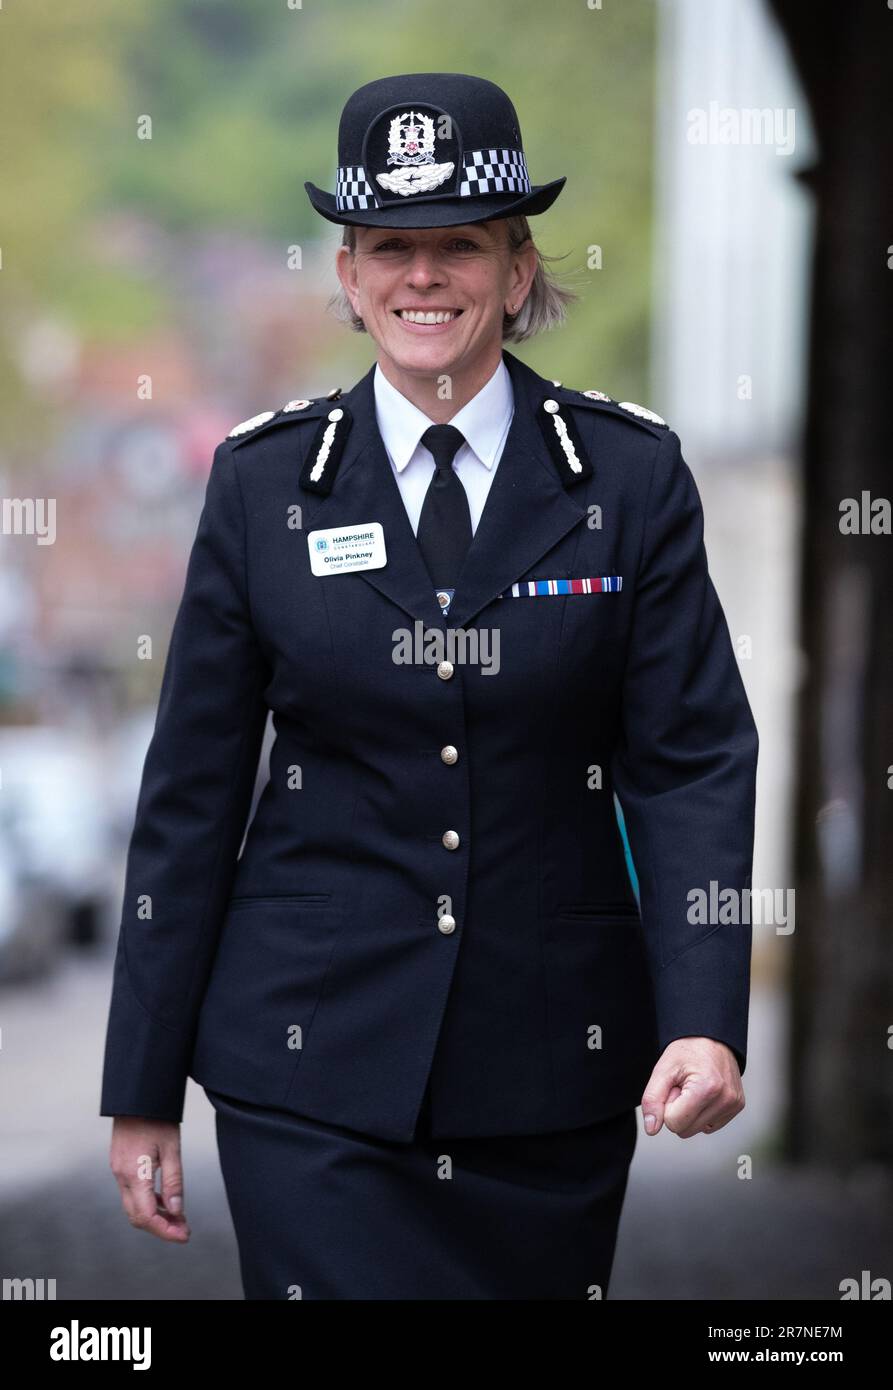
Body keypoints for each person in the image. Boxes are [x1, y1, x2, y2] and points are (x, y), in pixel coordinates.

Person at [101, 71, 759, 1300]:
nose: (422, 276)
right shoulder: (263, 487)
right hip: (308, 1071)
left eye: (456, 242)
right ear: (347, 278)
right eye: (388, 246)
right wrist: (140, 1089)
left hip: (547, 1070)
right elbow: (188, 796)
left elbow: (690, 760)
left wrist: (704, 1013)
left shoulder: (627, 477)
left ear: (515, 269)